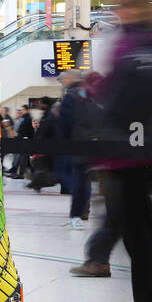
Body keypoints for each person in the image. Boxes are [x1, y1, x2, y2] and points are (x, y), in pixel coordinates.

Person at [73, 0, 152, 302]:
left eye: (123, 6)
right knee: (145, 234)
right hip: (151, 154)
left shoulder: (128, 45)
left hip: (126, 157)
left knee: (140, 238)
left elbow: (116, 102)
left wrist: (103, 140)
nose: (119, 11)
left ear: (132, 8)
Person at [56, 72, 97, 227]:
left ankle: (76, 214)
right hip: (88, 143)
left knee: (67, 174)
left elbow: (66, 121)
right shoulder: (89, 94)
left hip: (73, 144)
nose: (63, 81)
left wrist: (64, 142)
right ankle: (82, 210)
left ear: (70, 79)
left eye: (64, 79)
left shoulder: (70, 96)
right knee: (84, 177)